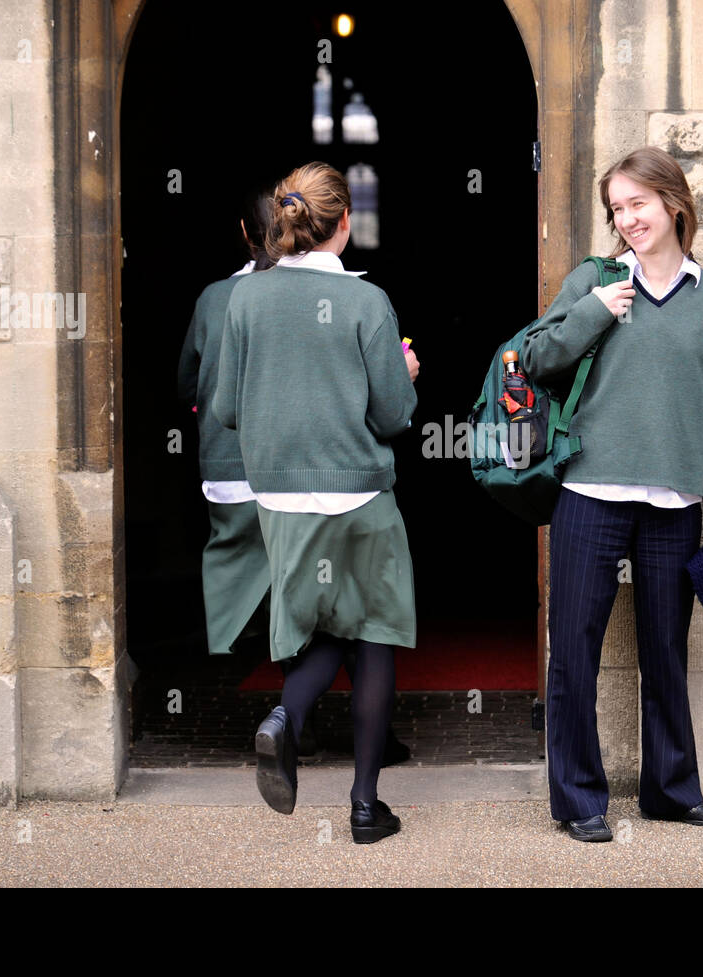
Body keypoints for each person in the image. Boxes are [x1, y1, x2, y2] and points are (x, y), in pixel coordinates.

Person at [521, 145, 703, 843]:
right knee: (575, 648)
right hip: (589, 492)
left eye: (638, 205)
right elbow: (535, 359)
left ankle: (671, 790)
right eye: (616, 209)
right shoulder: (594, 281)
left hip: (674, 501)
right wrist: (595, 310)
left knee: (665, 647)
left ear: (673, 203)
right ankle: (578, 799)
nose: (627, 220)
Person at [213, 162, 421, 844]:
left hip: (278, 496)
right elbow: (392, 414)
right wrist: (405, 370)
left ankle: (286, 720)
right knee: (374, 634)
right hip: (359, 493)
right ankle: (365, 807)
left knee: (324, 631)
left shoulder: (245, 300)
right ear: (345, 224)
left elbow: (224, 407)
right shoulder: (368, 303)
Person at [176, 186, 275, 660]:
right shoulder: (308, 299)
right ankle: (296, 708)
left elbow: (187, 385)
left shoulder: (213, 299)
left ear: (242, 232)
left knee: (240, 569)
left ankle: (241, 639)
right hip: (296, 473)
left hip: (226, 469)